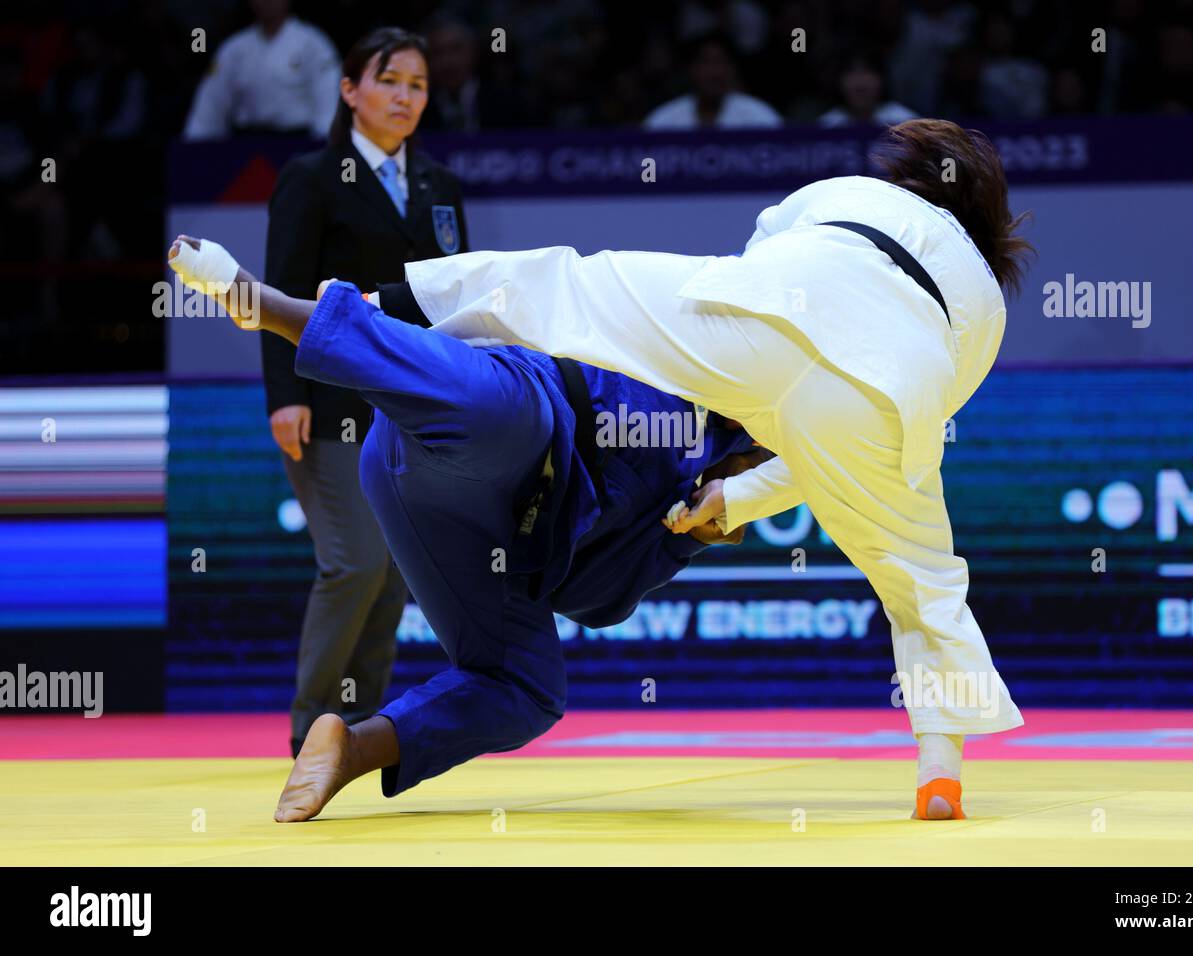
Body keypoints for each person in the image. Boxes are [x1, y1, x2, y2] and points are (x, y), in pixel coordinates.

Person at [168, 118, 1033, 821]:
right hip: (512, 428)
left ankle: (352, 745)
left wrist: (729, 495)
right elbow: (850, 454)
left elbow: (772, 293)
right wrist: (743, 491)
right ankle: (939, 766)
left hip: (717, 352)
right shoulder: (949, 335)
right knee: (923, 580)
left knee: (566, 290)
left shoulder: (837, 231)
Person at [165, 236, 763, 823]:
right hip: (496, 414)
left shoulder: (688, 490)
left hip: (456, 514)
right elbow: (538, 279)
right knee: (505, 414)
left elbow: (588, 599)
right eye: (764, 457)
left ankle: (352, 749)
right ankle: (278, 309)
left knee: (529, 688)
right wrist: (388, 302)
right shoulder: (693, 319)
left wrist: (684, 538)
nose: (763, 465)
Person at [259, 27, 469, 757]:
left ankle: (353, 731)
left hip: (418, 406)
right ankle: (307, 728)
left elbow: (457, 302)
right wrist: (284, 393)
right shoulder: (312, 178)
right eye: (390, 81)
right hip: (330, 405)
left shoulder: (440, 186)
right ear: (351, 91)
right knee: (355, 561)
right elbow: (277, 293)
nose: (406, 97)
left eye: (417, 85)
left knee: (395, 574)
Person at [183, 0, 340, 140]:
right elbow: (209, 108)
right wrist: (194, 148)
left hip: (297, 145)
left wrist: (324, 150)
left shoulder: (314, 44)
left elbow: (328, 106)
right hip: (244, 147)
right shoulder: (233, 49)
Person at [643, 33, 781, 130]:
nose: (714, 73)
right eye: (706, 62)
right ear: (691, 69)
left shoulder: (760, 117)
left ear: (732, 70)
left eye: (721, 63)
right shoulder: (663, 120)